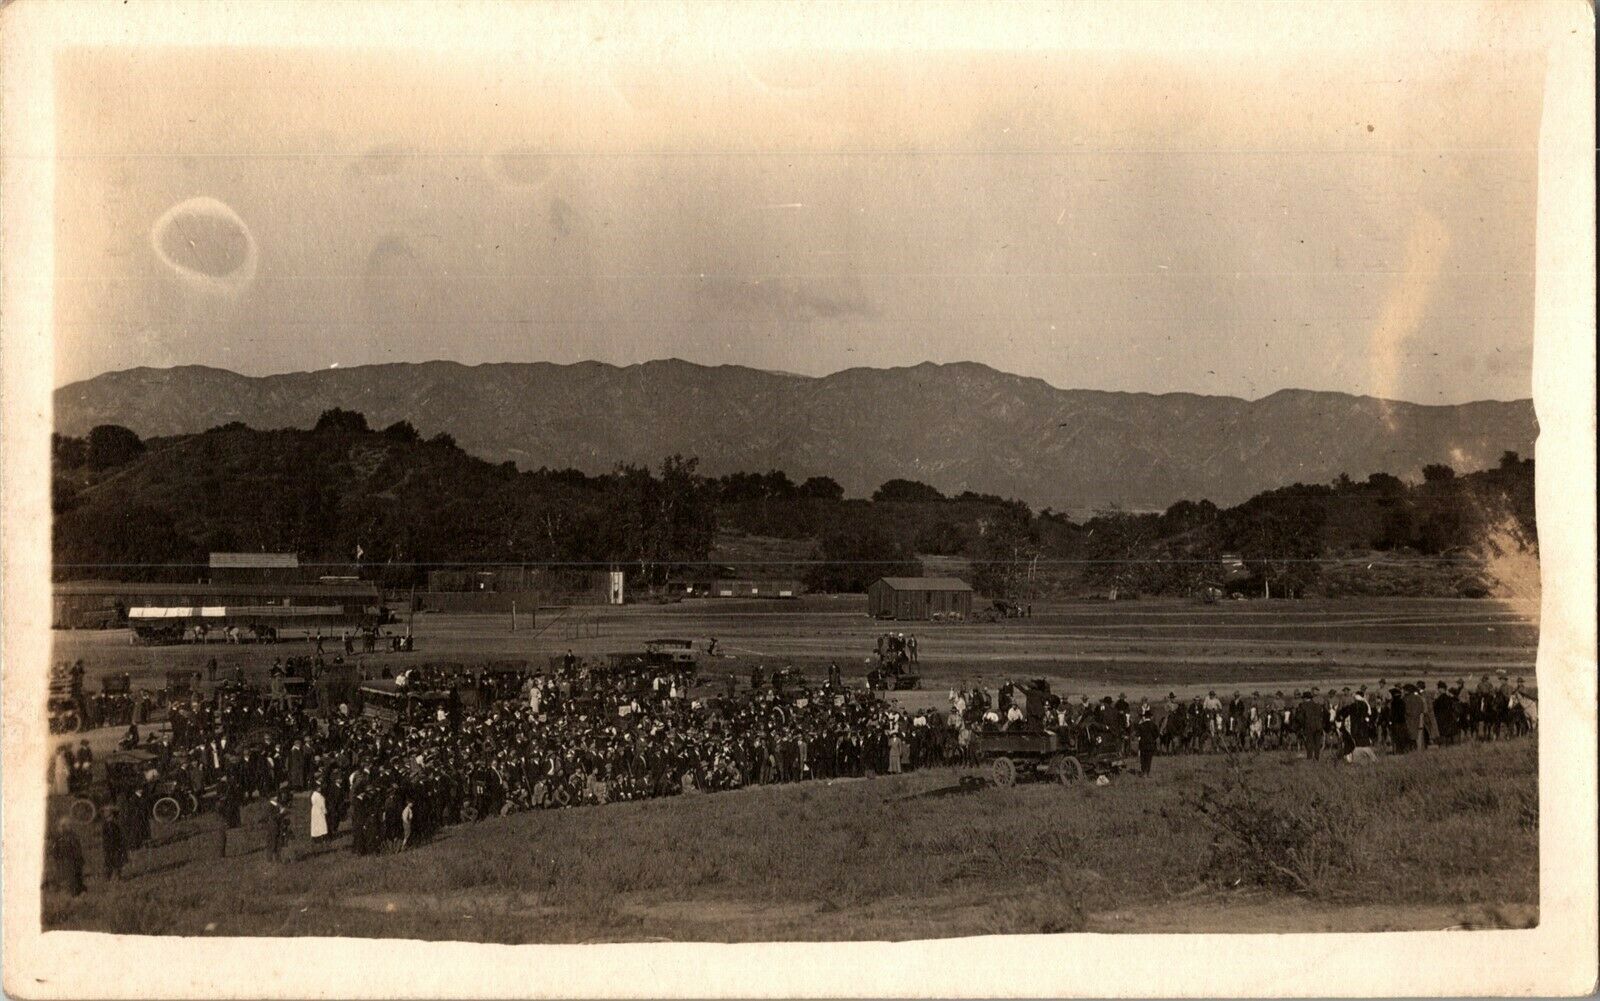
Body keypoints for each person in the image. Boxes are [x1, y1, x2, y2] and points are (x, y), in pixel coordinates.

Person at [48, 819, 86, 896]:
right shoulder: (59, 837)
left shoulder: (73, 836)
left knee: (75, 876)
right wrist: (56, 856)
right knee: (67, 876)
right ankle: (70, 891)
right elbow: (55, 849)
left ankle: (77, 892)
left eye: (68, 825)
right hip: (64, 860)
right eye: (63, 826)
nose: (65, 827)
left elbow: (77, 848)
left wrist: (79, 859)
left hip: (72, 860)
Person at [100, 806, 128, 881]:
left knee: (114, 862)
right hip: (111, 847)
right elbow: (108, 838)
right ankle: (110, 876)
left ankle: (115, 876)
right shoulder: (108, 826)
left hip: (114, 847)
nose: (112, 817)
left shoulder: (112, 825)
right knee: (111, 862)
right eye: (110, 816)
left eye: (112, 816)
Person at [1135, 708, 1160, 776]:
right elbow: (1157, 734)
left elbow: (1137, 735)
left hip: (1142, 744)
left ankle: (1143, 771)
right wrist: (1152, 738)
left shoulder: (1141, 725)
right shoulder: (1153, 725)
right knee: (1149, 758)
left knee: (1143, 758)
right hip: (1151, 744)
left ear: (1144, 717)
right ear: (1151, 717)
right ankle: (1147, 772)